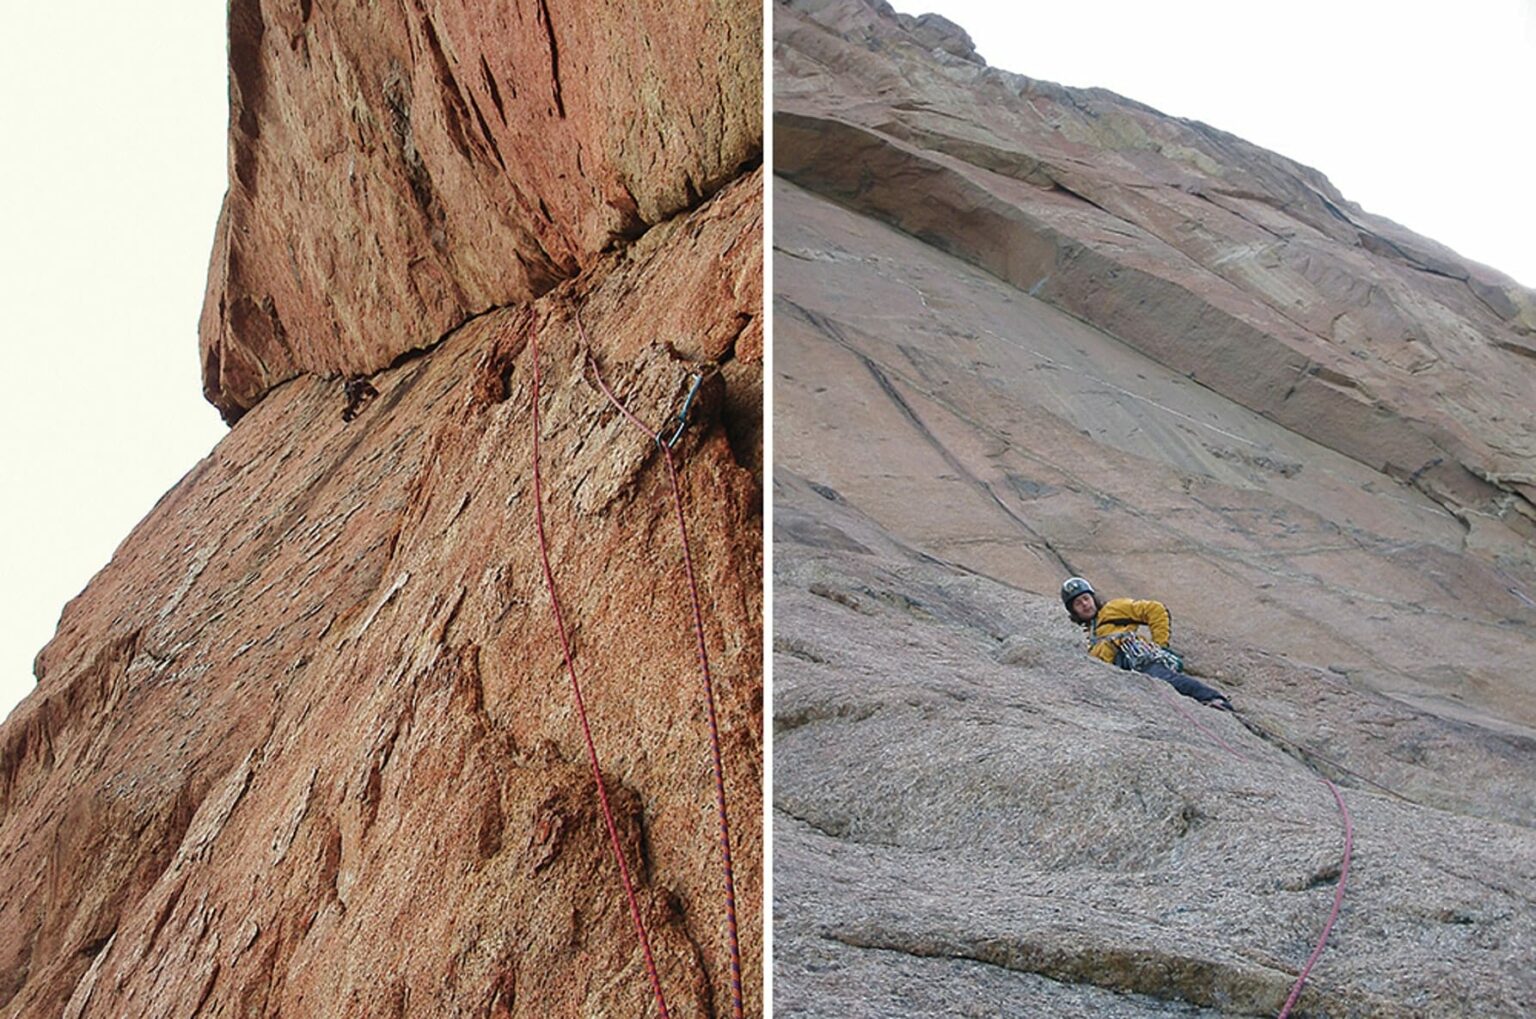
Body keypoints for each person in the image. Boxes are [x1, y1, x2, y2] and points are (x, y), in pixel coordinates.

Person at [1060, 576, 1231, 709]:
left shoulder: (1112, 609)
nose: (1085, 604)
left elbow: (1155, 609)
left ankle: (1214, 698)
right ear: (1073, 611)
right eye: (1078, 603)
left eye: (1086, 598)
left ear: (1093, 597)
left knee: (1165, 679)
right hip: (1124, 673)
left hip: (1138, 659)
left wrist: (1160, 645)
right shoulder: (1091, 638)